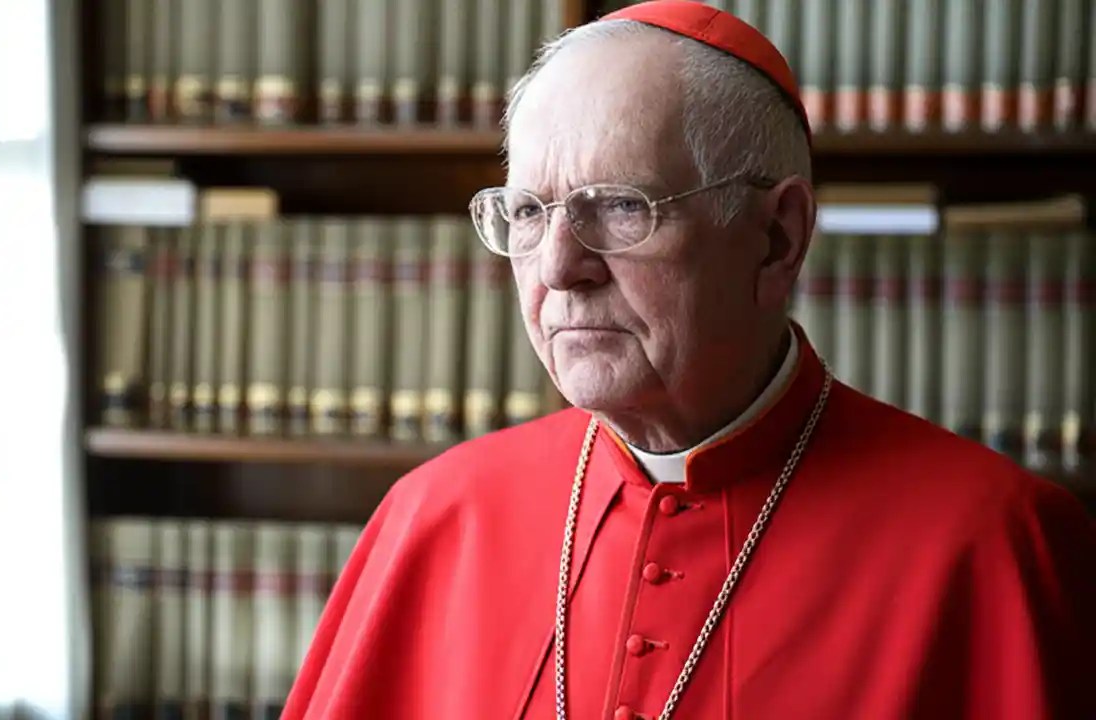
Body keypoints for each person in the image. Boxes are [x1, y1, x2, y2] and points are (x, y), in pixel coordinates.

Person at [281, 2, 1096, 718]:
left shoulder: (993, 543)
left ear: (776, 238)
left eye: (620, 206)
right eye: (528, 212)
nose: (559, 267)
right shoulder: (434, 516)